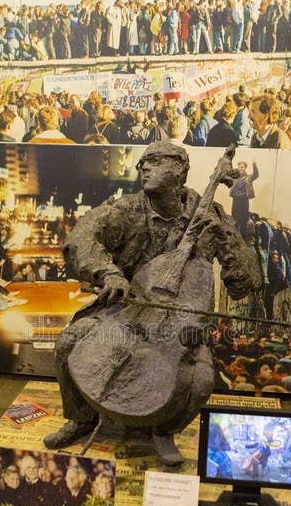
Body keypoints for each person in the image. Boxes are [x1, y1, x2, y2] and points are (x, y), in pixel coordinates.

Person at [42, 141, 261, 466]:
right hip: (125, 313)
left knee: (201, 382)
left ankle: (163, 429)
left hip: (180, 328)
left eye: (156, 161)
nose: (144, 167)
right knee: (69, 342)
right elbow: (82, 238)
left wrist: (227, 239)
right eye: (143, 162)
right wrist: (109, 274)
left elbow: (246, 282)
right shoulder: (127, 209)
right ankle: (82, 417)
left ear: (181, 170)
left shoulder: (210, 214)